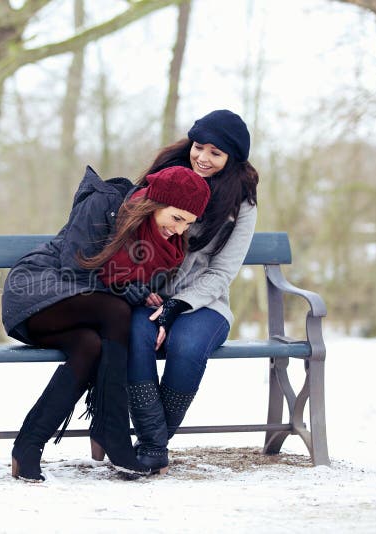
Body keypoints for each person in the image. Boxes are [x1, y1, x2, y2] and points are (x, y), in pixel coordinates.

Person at [1, 165, 211, 482]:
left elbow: (129, 288)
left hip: (80, 313)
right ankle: (113, 433)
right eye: (177, 218)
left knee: (91, 347)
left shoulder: (163, 244)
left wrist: (141, 294)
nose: (180, 230)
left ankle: (28, 446)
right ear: (155, 202)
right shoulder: (104, 203)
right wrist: (127, 291)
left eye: (188, 223)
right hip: (38, 291)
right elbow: (73, 266)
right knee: (116, 311)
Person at [126, 109, 259, 473]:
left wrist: (177, 306)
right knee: (135, 335)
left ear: (232, 158)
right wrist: (138, 288)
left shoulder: (241, 202)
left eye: (216, 153)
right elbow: (129, 236)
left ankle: (152, 445)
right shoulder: (164, 175)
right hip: (149, 295)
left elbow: (222, 272)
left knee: (186, 346)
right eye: (199, 147)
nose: (203, 157)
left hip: (204, 303)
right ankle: (152, 446)